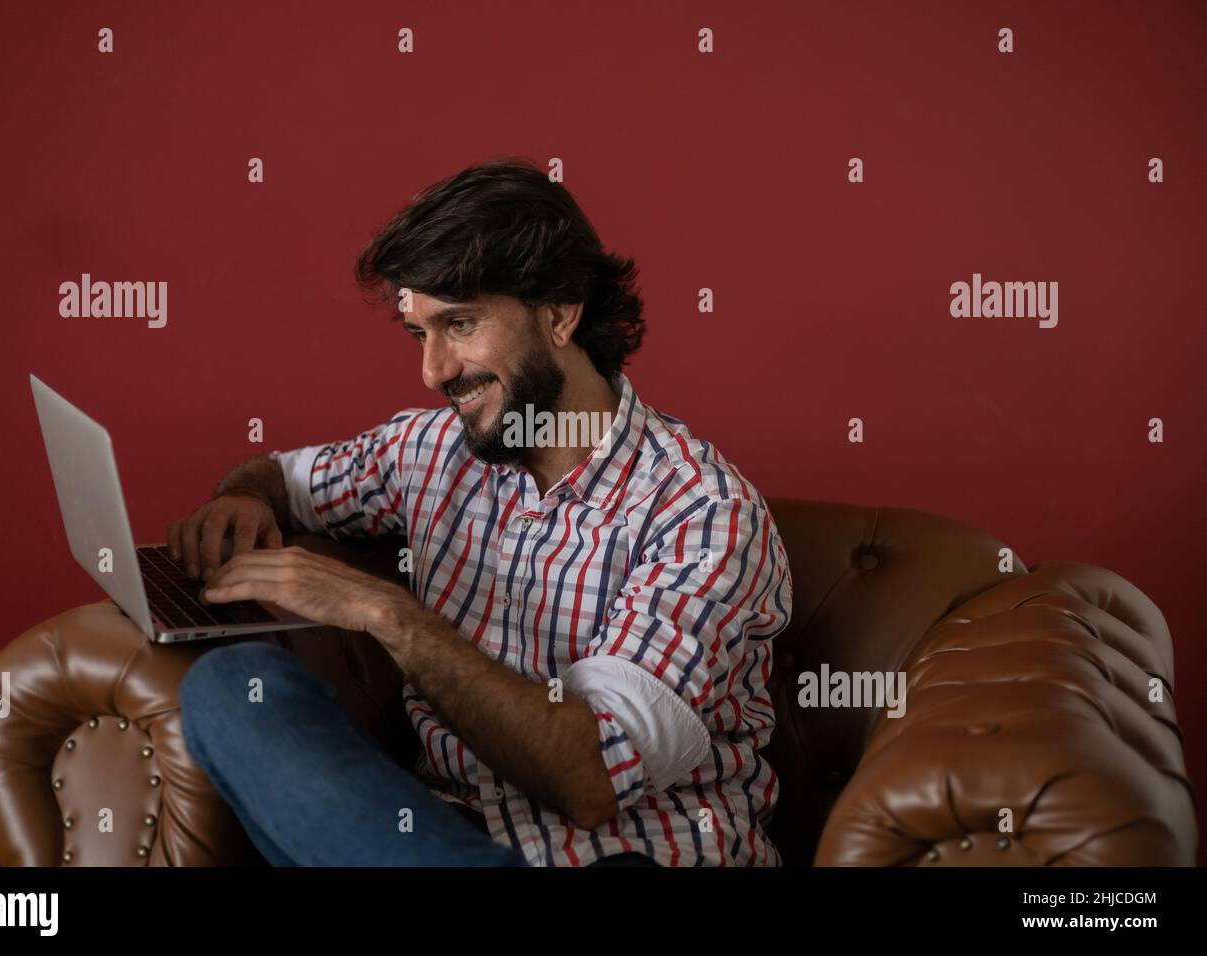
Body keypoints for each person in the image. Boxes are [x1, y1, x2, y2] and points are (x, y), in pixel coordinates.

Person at [175, 157, 793, 867]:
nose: (433, 370)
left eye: (460, 325)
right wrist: (242, 496)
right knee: (231, 689)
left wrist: (387, 613)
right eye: (420, 335)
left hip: (626, 855)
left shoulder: (702, 511)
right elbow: (280, 475)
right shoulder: (428, 449)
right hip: (438, 842)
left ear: (559, 313)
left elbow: (591, 778)